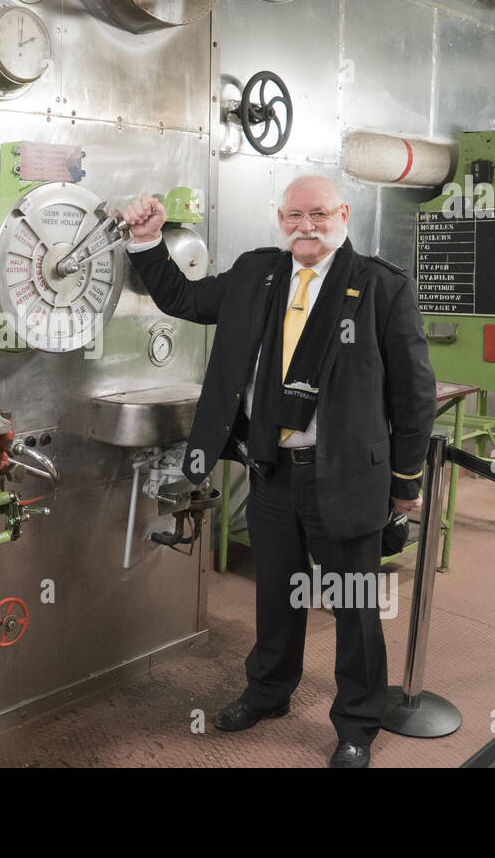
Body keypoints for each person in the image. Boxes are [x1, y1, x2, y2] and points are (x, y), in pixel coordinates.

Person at [121, 176, 436, 768]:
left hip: (344, 474)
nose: (305, 225)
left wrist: (405, 483)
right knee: (276, 593)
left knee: (353, 603)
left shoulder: (379, 286)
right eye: (294, 214)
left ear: (342, 214)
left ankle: (358, 721)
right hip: (271, 469)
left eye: (318, 213)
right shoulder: (256, 274)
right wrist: (147, 240)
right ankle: (268, 692)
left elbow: (414, 395)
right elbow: (183, 301)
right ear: (280, 218)